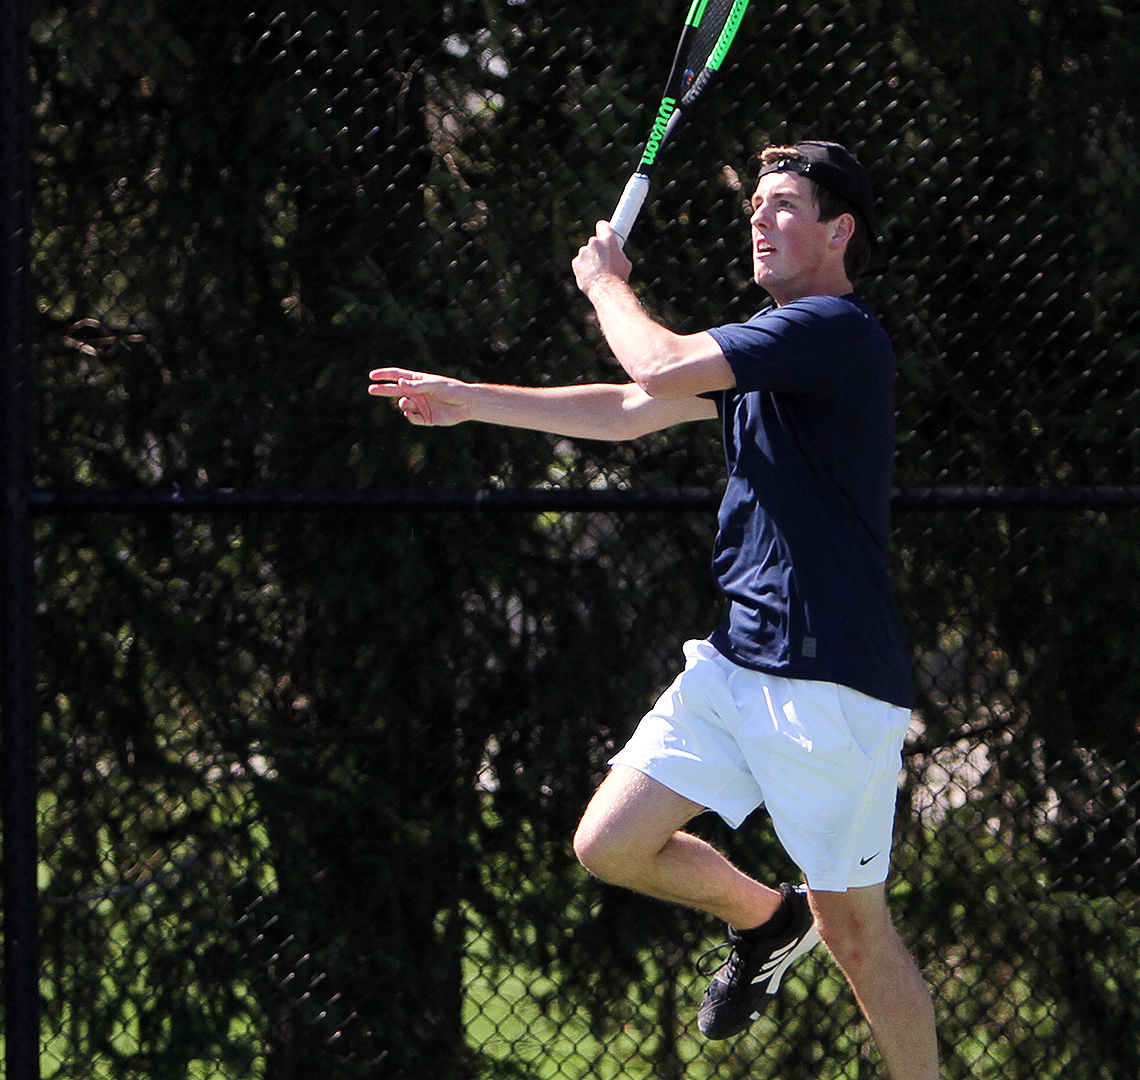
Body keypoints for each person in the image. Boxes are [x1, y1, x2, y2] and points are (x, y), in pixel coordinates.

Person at [366, 141, 939, 1080]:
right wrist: (469, 401)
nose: (759, 218)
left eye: (784, 204)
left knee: (862, 942)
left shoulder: (834, 331)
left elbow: (662, 363)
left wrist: (604, 283)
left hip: (827, 683)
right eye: (754, 203)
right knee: (609, 843)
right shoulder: (770, 347)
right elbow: (632, 405)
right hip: (735, 663)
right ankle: (766, 917)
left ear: (841, 232)